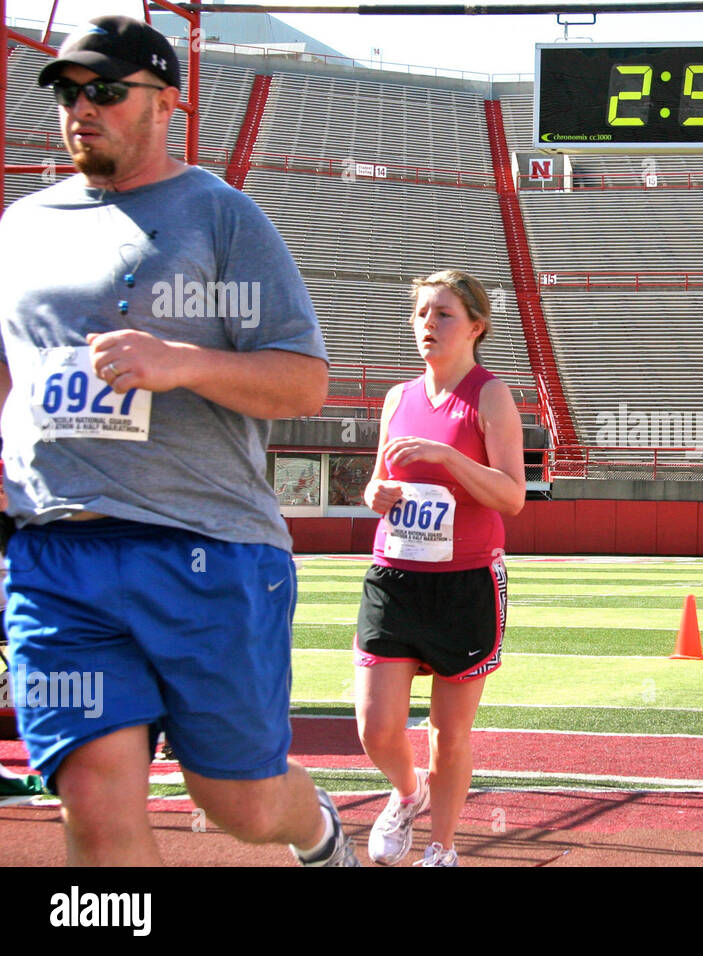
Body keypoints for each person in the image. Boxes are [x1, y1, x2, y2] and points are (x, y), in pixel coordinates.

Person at [0, 16, 350, 865]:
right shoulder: (19, 226)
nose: (83, 109)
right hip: (56, 557)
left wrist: (181, 362)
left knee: (239, 802)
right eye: (69, 93)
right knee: (91, 793)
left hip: (206, 549)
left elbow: (303, 381)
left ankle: (316, 828)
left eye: (108, 92)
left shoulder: (220, 216)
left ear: (168, 105)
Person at [354, 269, 524, 867]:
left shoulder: (490, 396)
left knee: (449, 734)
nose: (429, 324)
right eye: (423, 313)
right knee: (375, 728)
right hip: (394, 576)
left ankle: (442, 848)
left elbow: (511, 496)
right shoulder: (397, 399)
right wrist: (374, 493)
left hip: (465, 581)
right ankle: (407, 794)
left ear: (476, 326)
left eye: (443, 314)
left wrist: (447, 455)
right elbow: (380, 481)